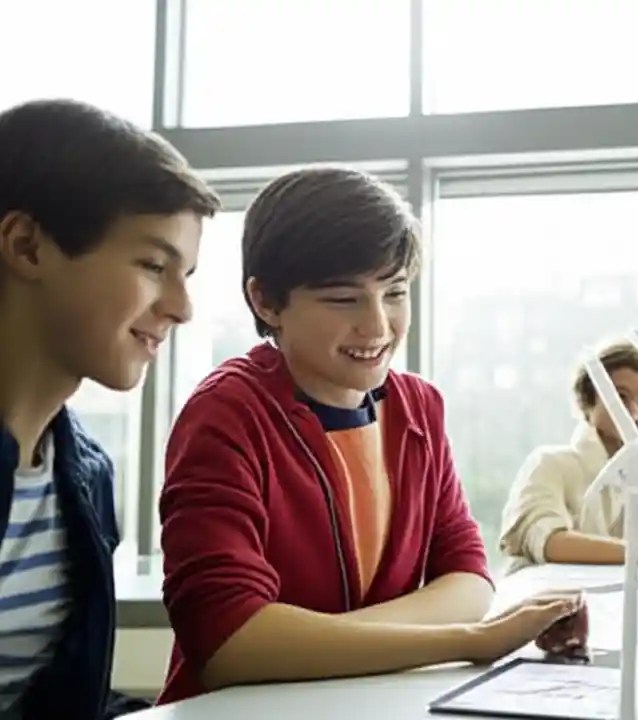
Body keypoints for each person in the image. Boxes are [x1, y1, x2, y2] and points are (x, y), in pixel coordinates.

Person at [158, 167, 586, 703]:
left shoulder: (418, 407)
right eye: (344, 300)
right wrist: (468, 640)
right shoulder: (228, 412)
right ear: (266, 301)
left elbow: (470, 581)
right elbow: (231, 645)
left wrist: (318, 640)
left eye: (395, 292)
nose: (378, 326)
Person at [0, 99, 219, 719]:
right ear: (27, 246)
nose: (182, 307)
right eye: (154, 265)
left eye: (187, 275)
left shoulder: (84, 473)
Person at [499, 342, 638, 571]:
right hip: (547, 601)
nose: (635, 413)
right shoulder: (550, 463)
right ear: (588, 401)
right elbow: (546, 541)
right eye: (621, 397)